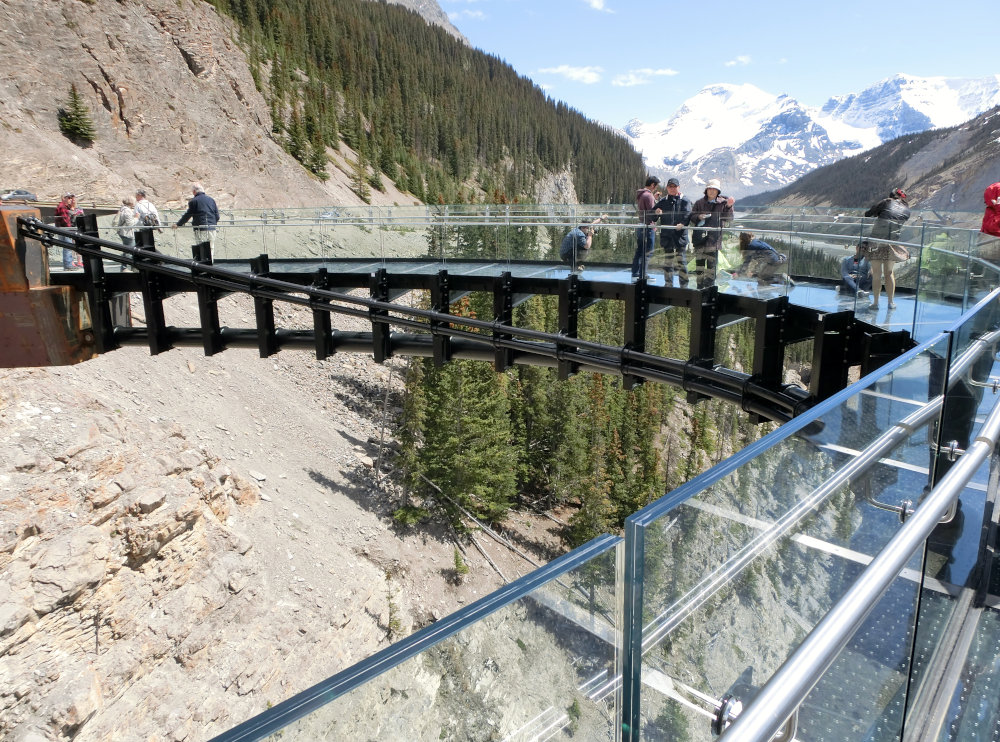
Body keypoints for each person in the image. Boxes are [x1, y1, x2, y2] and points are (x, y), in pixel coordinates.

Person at [863, 188, 911, 309]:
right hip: (892, 242)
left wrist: (878, 213)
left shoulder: (886, 202)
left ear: (891, 195)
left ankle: (875, 303)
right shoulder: (907, 210)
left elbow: (868, 213)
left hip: (876, 240)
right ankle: (891, 302)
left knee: (877, 273)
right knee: (889, 273)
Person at [690, 179, 735, 288]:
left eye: (714, 189)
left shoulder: (724, 203)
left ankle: (709, 292)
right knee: (699, 267)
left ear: (718, 191)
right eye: (710, 188)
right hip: (700, 240)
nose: (712, 191)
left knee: (711, 269)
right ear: (706, 190)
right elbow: (691, 217)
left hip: (714, 241)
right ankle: (699, 289)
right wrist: (699, 217)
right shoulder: (699, 203)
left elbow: (729, 219)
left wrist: (729, 207)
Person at [653, 177, 692, 286]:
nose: (672, 188)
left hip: (680, 236)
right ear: (667, 188)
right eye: (670, 186)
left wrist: (683, 224)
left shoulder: (685, 200)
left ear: (678, 187)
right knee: (668, 262)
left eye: (675, 186)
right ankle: (668, 284)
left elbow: (688, 215)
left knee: (682, 261)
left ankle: (684, 285)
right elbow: (653, 216)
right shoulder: (663, 201)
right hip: (667, 235)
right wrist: (656, 212)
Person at [173, 182, 220, 257]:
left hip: (200, 228)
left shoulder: (193, 201)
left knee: (202, 247)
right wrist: (212, 223)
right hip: (212, 227)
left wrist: (178, 224)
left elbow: (188, 215)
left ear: (194, 191)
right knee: (211, 247)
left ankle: (204, 265)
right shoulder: (211, 200)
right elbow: (217, 215)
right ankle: (210, 265)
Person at [632, 176, 661, 280]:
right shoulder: (648, 196)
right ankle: (643, 274)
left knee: (640, 250)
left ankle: (635, 273)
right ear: (653, 185)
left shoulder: (642, 194)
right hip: (648, 227)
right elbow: (651, 213)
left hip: (641, 225)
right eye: (656, 186)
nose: (656, 188)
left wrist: (654, 198)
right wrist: (657, 213)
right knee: (648, 251)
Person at [54, 193, 83, 269]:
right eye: (69, 198)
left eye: (71, 198)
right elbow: (65, 220)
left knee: (67, 247)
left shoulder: (63, 206)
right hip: (65, 229)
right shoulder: (62, 207)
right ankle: (68, 264)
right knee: (68, 247)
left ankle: (68, 264)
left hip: (63, 229)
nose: (71, 200)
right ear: (64, 198)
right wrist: (70, 228)